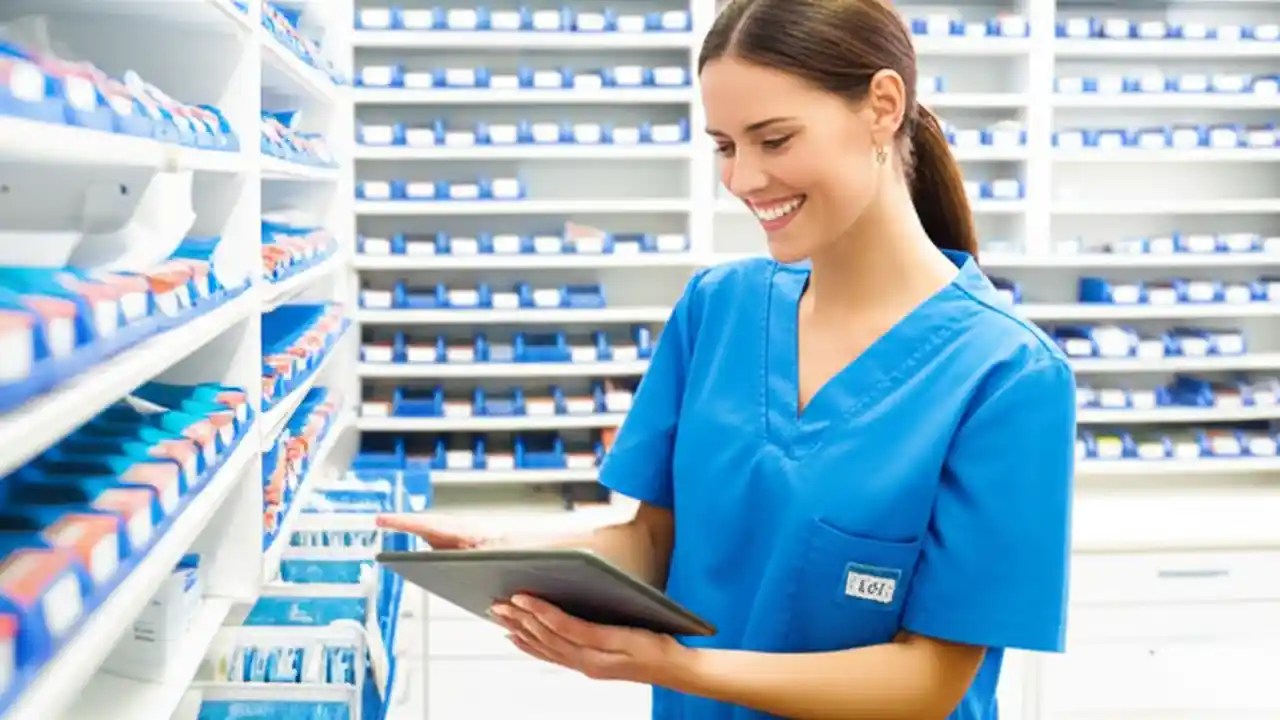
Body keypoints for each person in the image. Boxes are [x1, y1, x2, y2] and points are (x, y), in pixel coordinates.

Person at [377, 0, 1077, 717]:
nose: (743, 180)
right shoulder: (718, 308)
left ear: (882, 106)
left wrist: (681, 667)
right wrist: (516, 554)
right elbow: (654, 540)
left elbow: (926, 682)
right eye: (725, 146)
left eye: (774, 140)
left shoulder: (1007, 376)